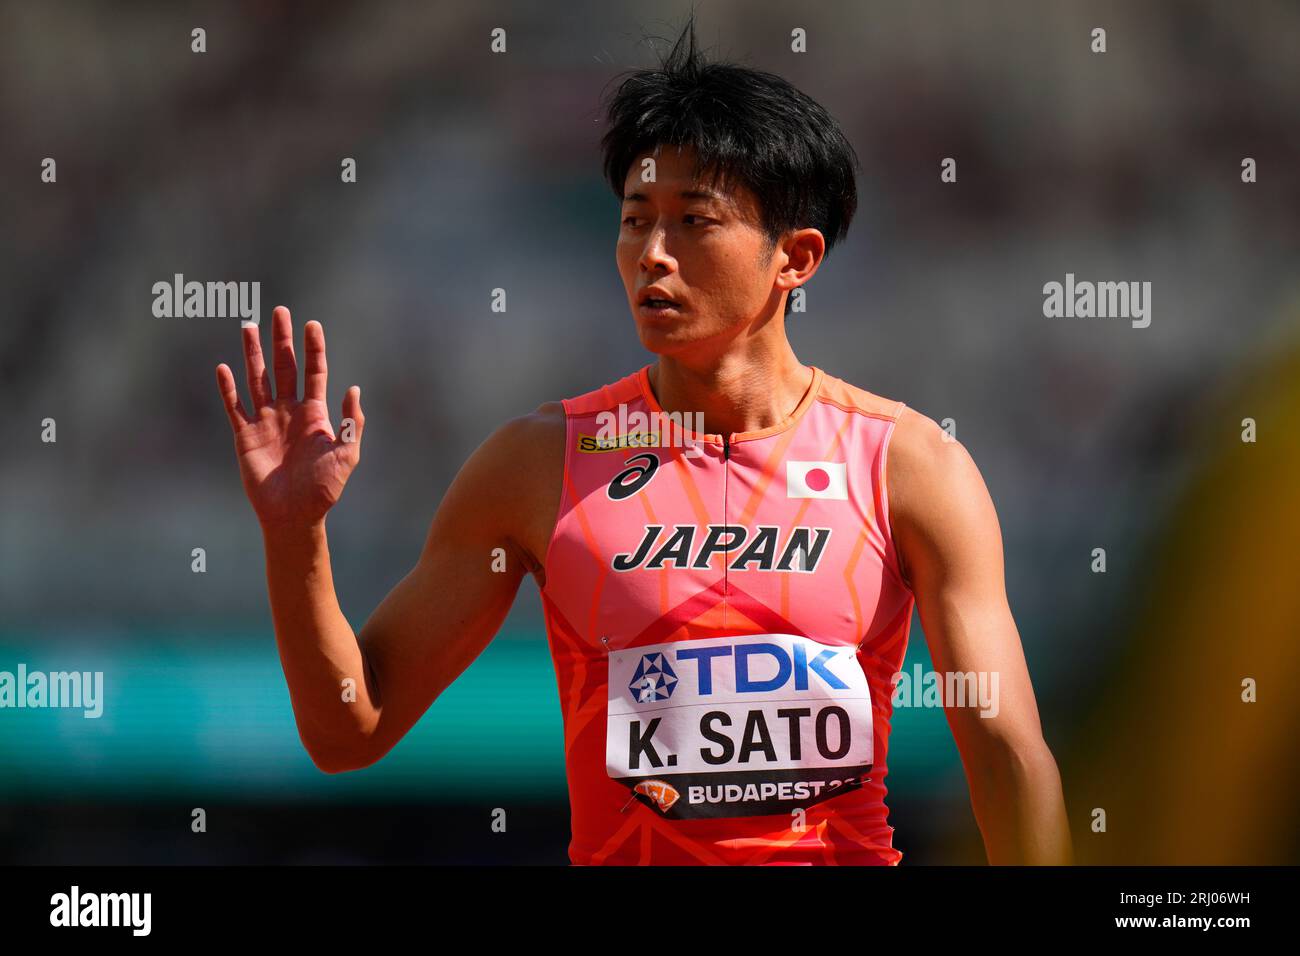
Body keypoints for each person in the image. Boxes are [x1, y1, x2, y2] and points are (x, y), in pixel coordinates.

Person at [214, 18, 1071, 865]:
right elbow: (350, 730)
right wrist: (295, 536)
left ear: (795, 256)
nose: (651, 254)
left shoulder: (909, 466)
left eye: (694, 221)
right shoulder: (537, 464)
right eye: (634, 220)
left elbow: (1005, 752)